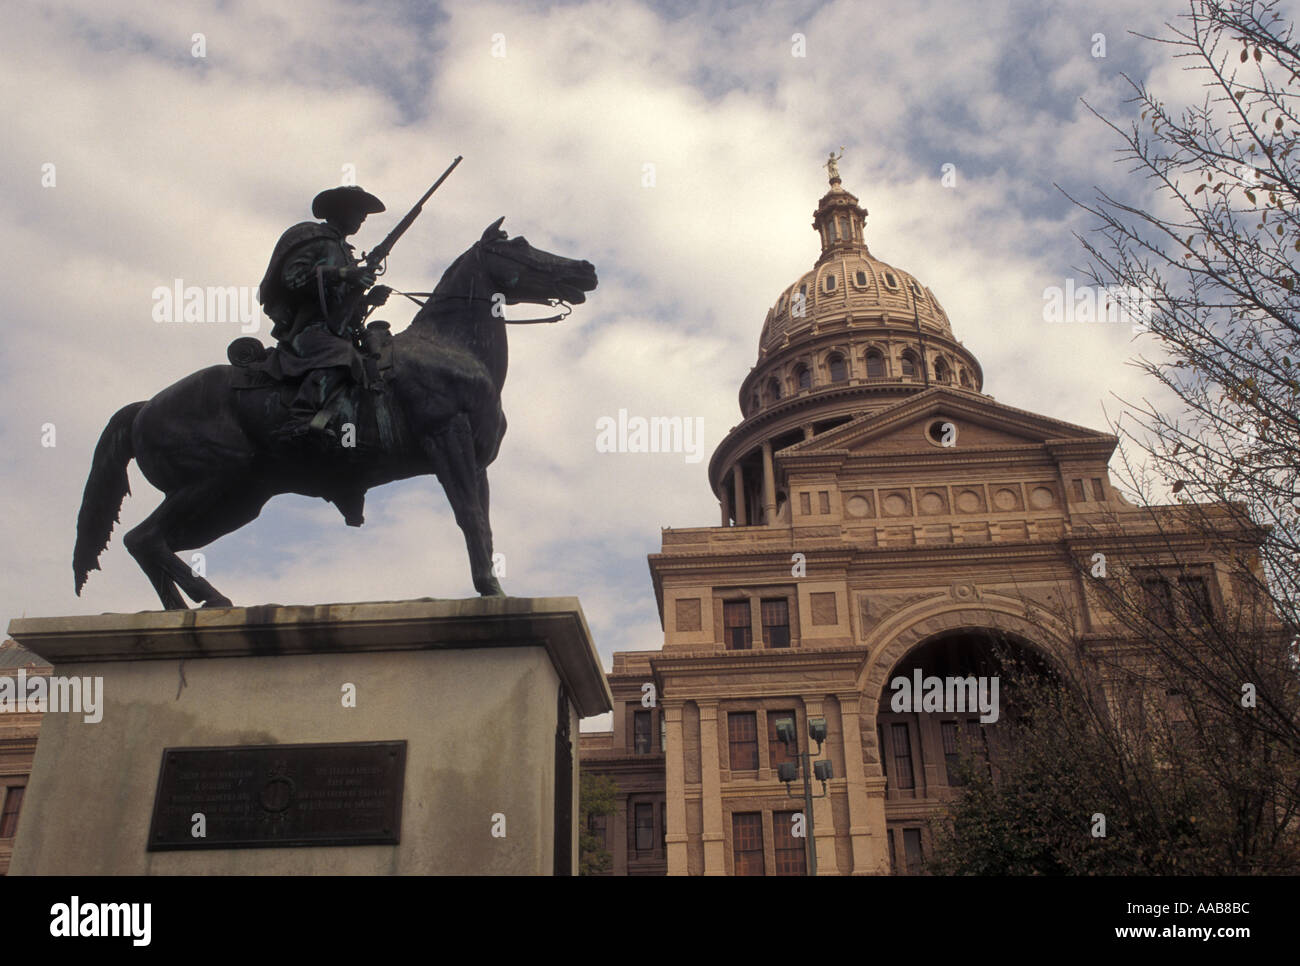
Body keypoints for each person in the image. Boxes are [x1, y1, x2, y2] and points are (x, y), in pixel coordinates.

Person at [257, 185, 391, 442]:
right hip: (309, 330)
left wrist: (368, 300)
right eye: (358, 211)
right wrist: (342, 274)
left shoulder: (346, 253)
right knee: (341, 354)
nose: (363, 218)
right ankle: (301, 417)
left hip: (338, 331)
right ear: (340, 210)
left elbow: (343, 310)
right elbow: (292, 279)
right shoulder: (314, 238)